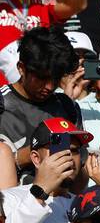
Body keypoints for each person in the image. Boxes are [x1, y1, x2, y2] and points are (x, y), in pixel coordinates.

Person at [0, 28, 82, 169]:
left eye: (56, 78)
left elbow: (81, 168)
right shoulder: (2, 105)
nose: (50, 87)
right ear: (21, 68)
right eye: (41, 77)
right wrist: (29, 154)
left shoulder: (68, 107)